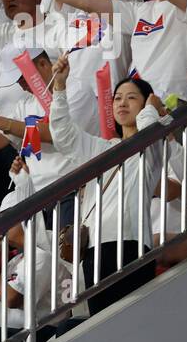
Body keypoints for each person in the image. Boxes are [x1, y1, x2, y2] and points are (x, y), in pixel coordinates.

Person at [47, 53, 168, 315]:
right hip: (95, 250)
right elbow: (64, 137)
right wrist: (59, 88)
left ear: (146, 104)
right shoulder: (102, 149)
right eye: (117, 98)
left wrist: (151, 109)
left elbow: (149, 136)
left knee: (132, 321)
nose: (122, 102)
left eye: (131, 97)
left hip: (132, 246)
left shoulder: (152, 145)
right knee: (102, 322)